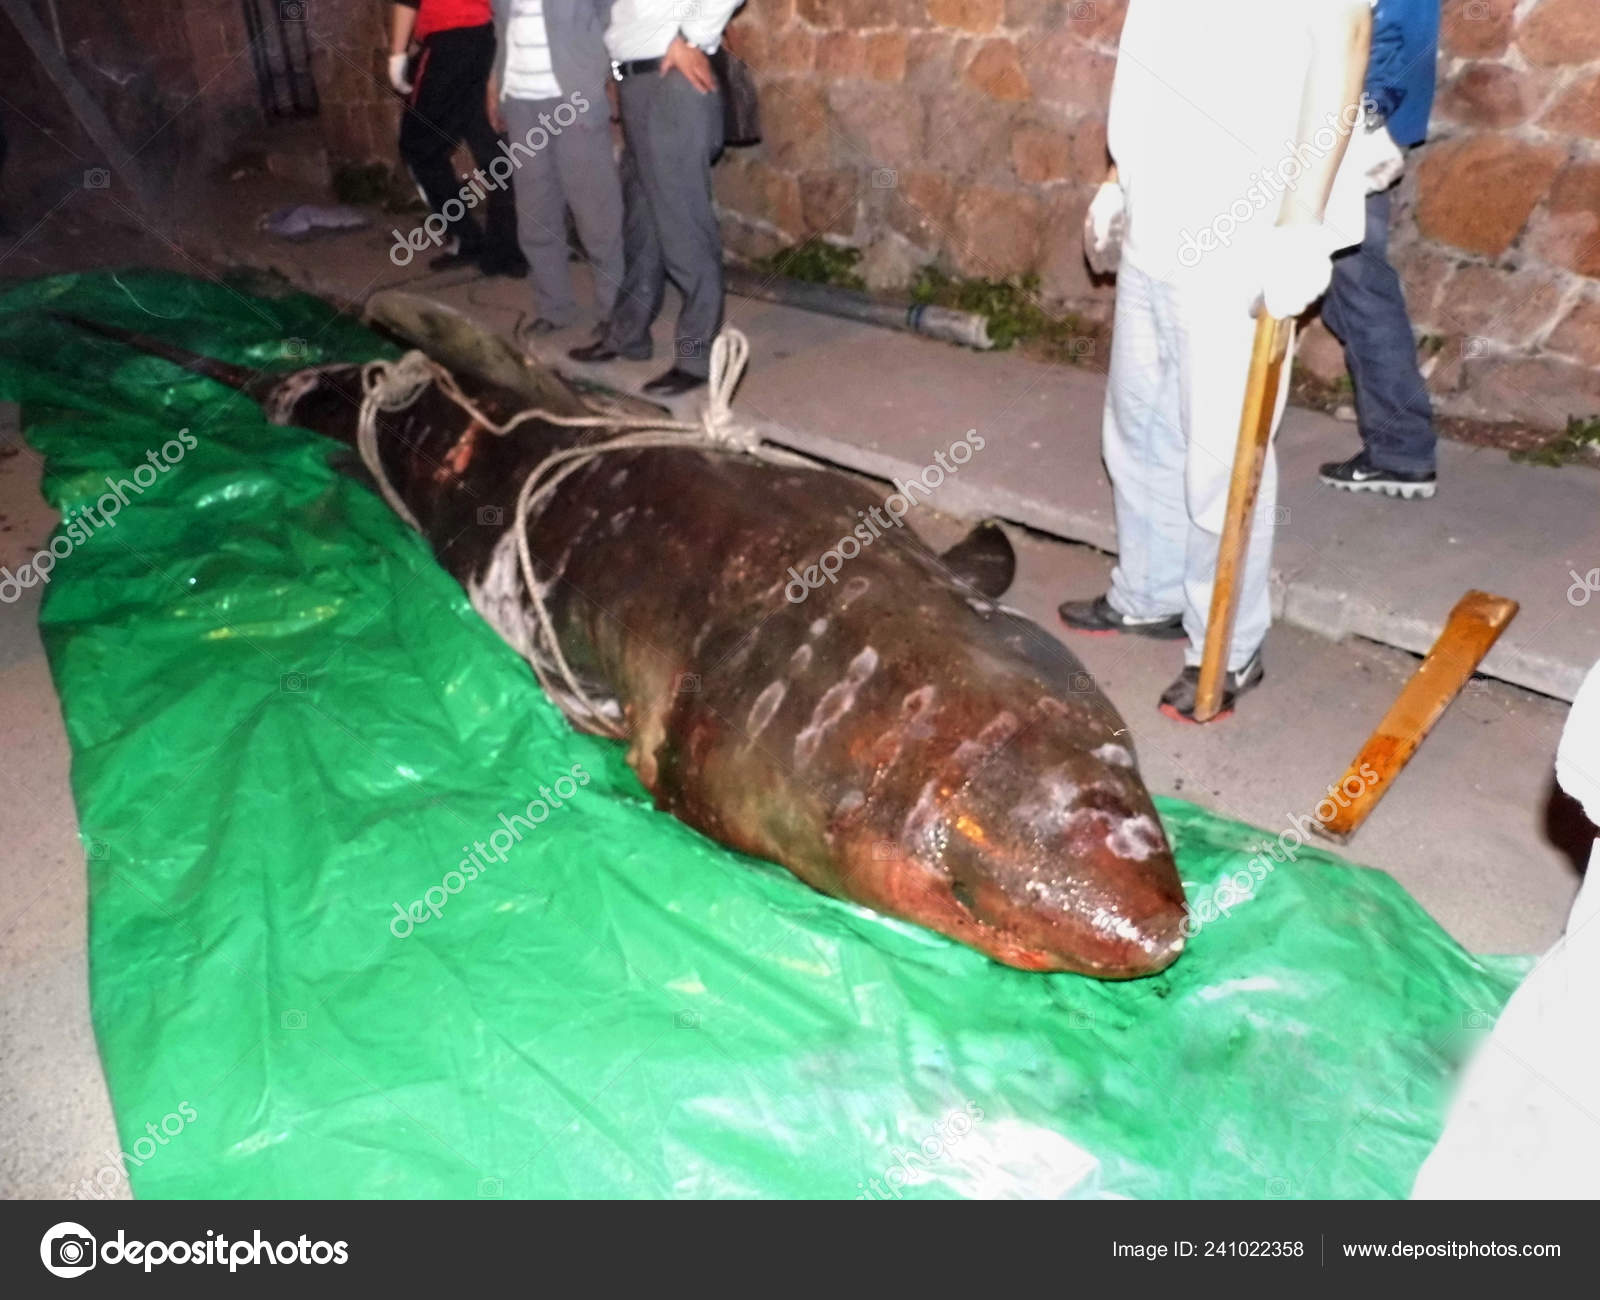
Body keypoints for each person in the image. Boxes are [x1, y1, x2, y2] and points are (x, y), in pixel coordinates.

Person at [1059, 0, 1374, 721]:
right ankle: (1151, 593)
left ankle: (1227, 647)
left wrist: (1300, 227)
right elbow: (1149, 56)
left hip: (1243, 235)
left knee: (1221, 458)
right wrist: (1117, 176)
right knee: (1139, 431)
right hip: (1158, 220)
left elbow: (1345, 45)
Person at [565, 0, 740, 397]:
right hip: (638, 78)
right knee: (642, 222)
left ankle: (697, 357)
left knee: (683, 225)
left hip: (673, 78)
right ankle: (628, 334)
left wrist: (693, 38)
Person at [1318, 0, 1440, 500]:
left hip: (1350, 128)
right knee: (1345, 286)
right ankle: (1400, 442)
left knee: (1359, 285)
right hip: (1348, 120)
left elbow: (1388, 25)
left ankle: (1400, 450)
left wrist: (1368, 114)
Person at [487, 0, 625, 342]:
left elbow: (614, 16)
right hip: (520, 100)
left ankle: (616, 312)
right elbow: (503, 28)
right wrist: (495, 83)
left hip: (575, 97)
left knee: (596, 212)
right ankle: (554, 307)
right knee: (535, 212)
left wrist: (608, 76)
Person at [389, 0, 526, 276]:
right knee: (487, 142)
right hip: (484, 37)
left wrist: (397, 56)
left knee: (418, 147)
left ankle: (467, 238)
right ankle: (508, 247)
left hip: (447, 39)